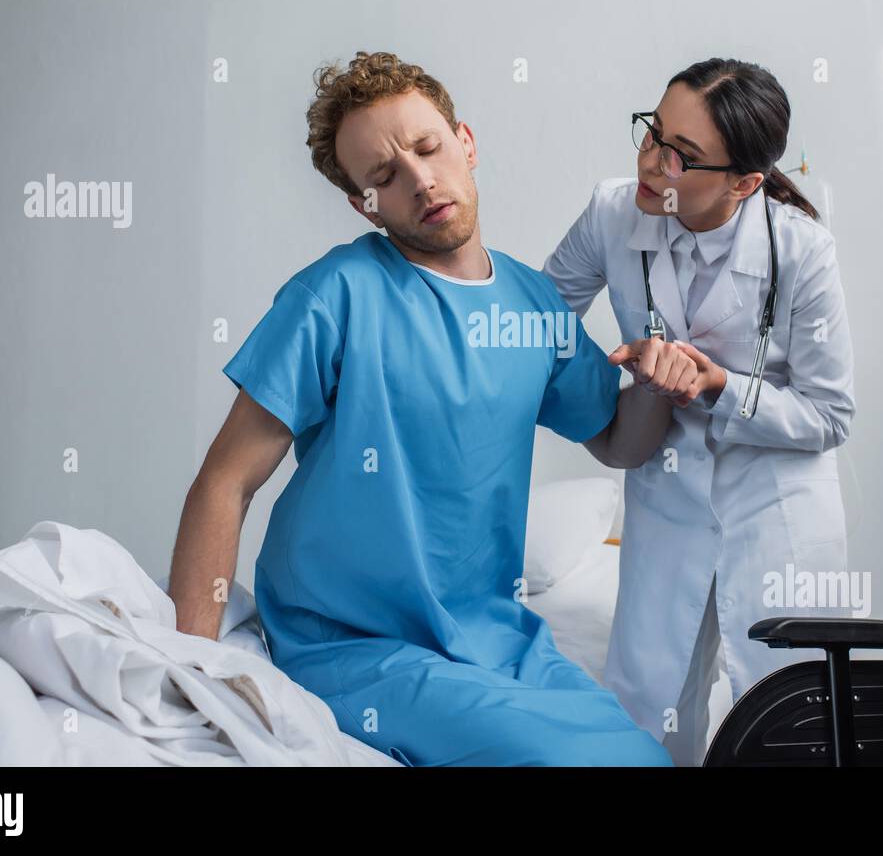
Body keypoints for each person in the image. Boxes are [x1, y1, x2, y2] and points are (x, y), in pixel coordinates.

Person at [167, 51, 697, 766]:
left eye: (428, 148)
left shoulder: (535, 308)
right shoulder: (334, 296)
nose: (419, 179)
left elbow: (616, 440)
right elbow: (224, 483)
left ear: (466, 143)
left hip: (499, 639)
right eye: (383, 175)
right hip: (351, 646)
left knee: (647, 760)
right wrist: (191, 673)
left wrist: (663, 384)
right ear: (365, 204)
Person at [543, 58, 856, 766]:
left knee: (788, 722)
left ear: (745, 183)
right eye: (654, 132)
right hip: (668, 499)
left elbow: (830, 415)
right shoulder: (610, 212)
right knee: (643, 717)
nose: (653, 162)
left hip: (778, 506)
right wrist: (622, 385)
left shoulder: (802, 252)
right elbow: (537, 323)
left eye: (682, 156)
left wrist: (721, 386)